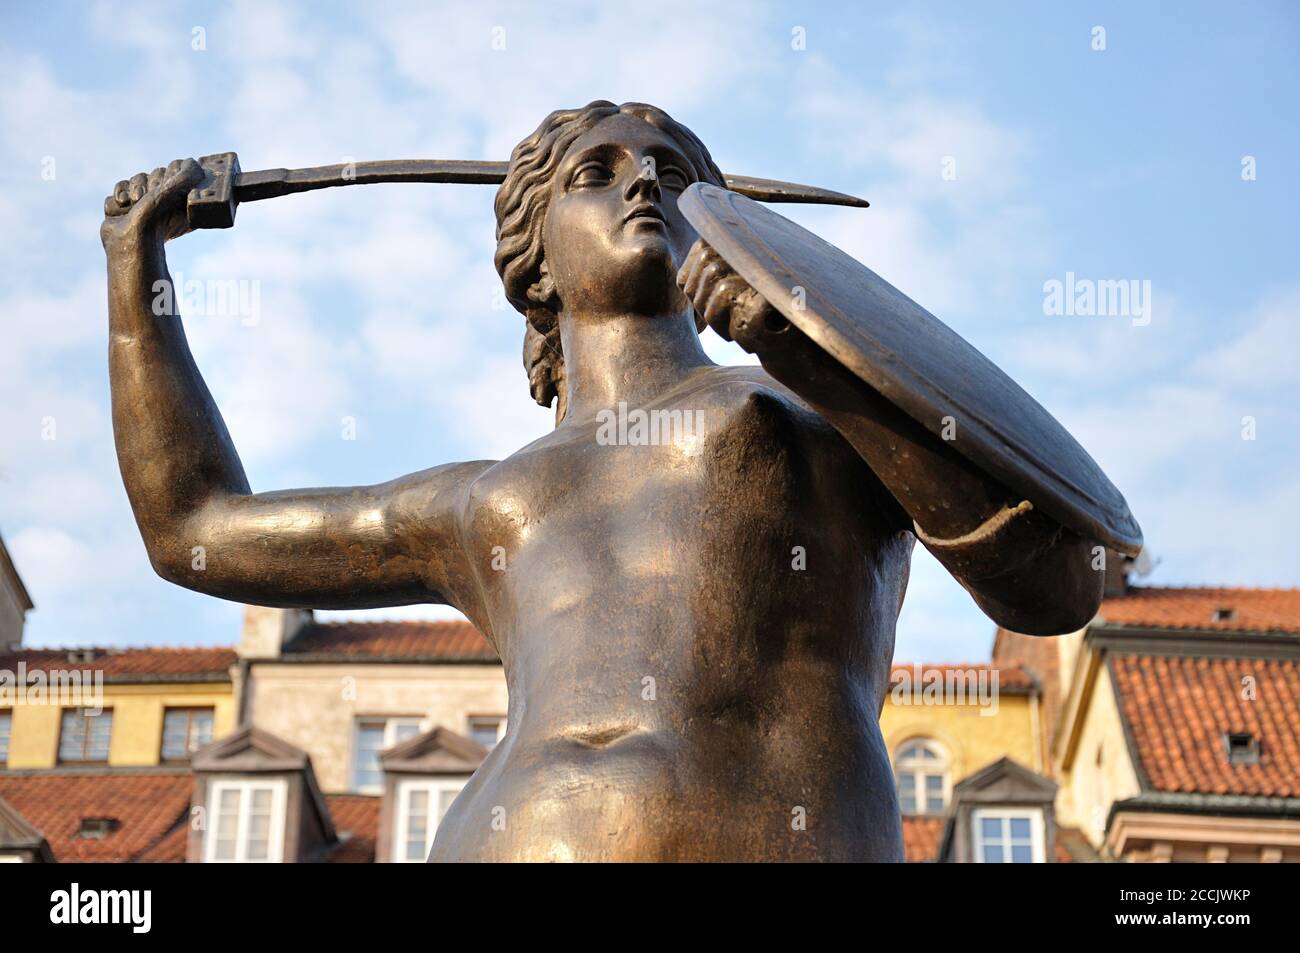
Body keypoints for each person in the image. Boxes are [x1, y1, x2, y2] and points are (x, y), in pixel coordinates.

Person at [103, 101, 1103, 861]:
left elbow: (1052, 588)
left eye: (671, 173)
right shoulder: (485, 498)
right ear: (532, 258)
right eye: (599, 171)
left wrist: (814, 354)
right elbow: (195, 523)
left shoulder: (809, 404)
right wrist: (134, 270)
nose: (641, 184)